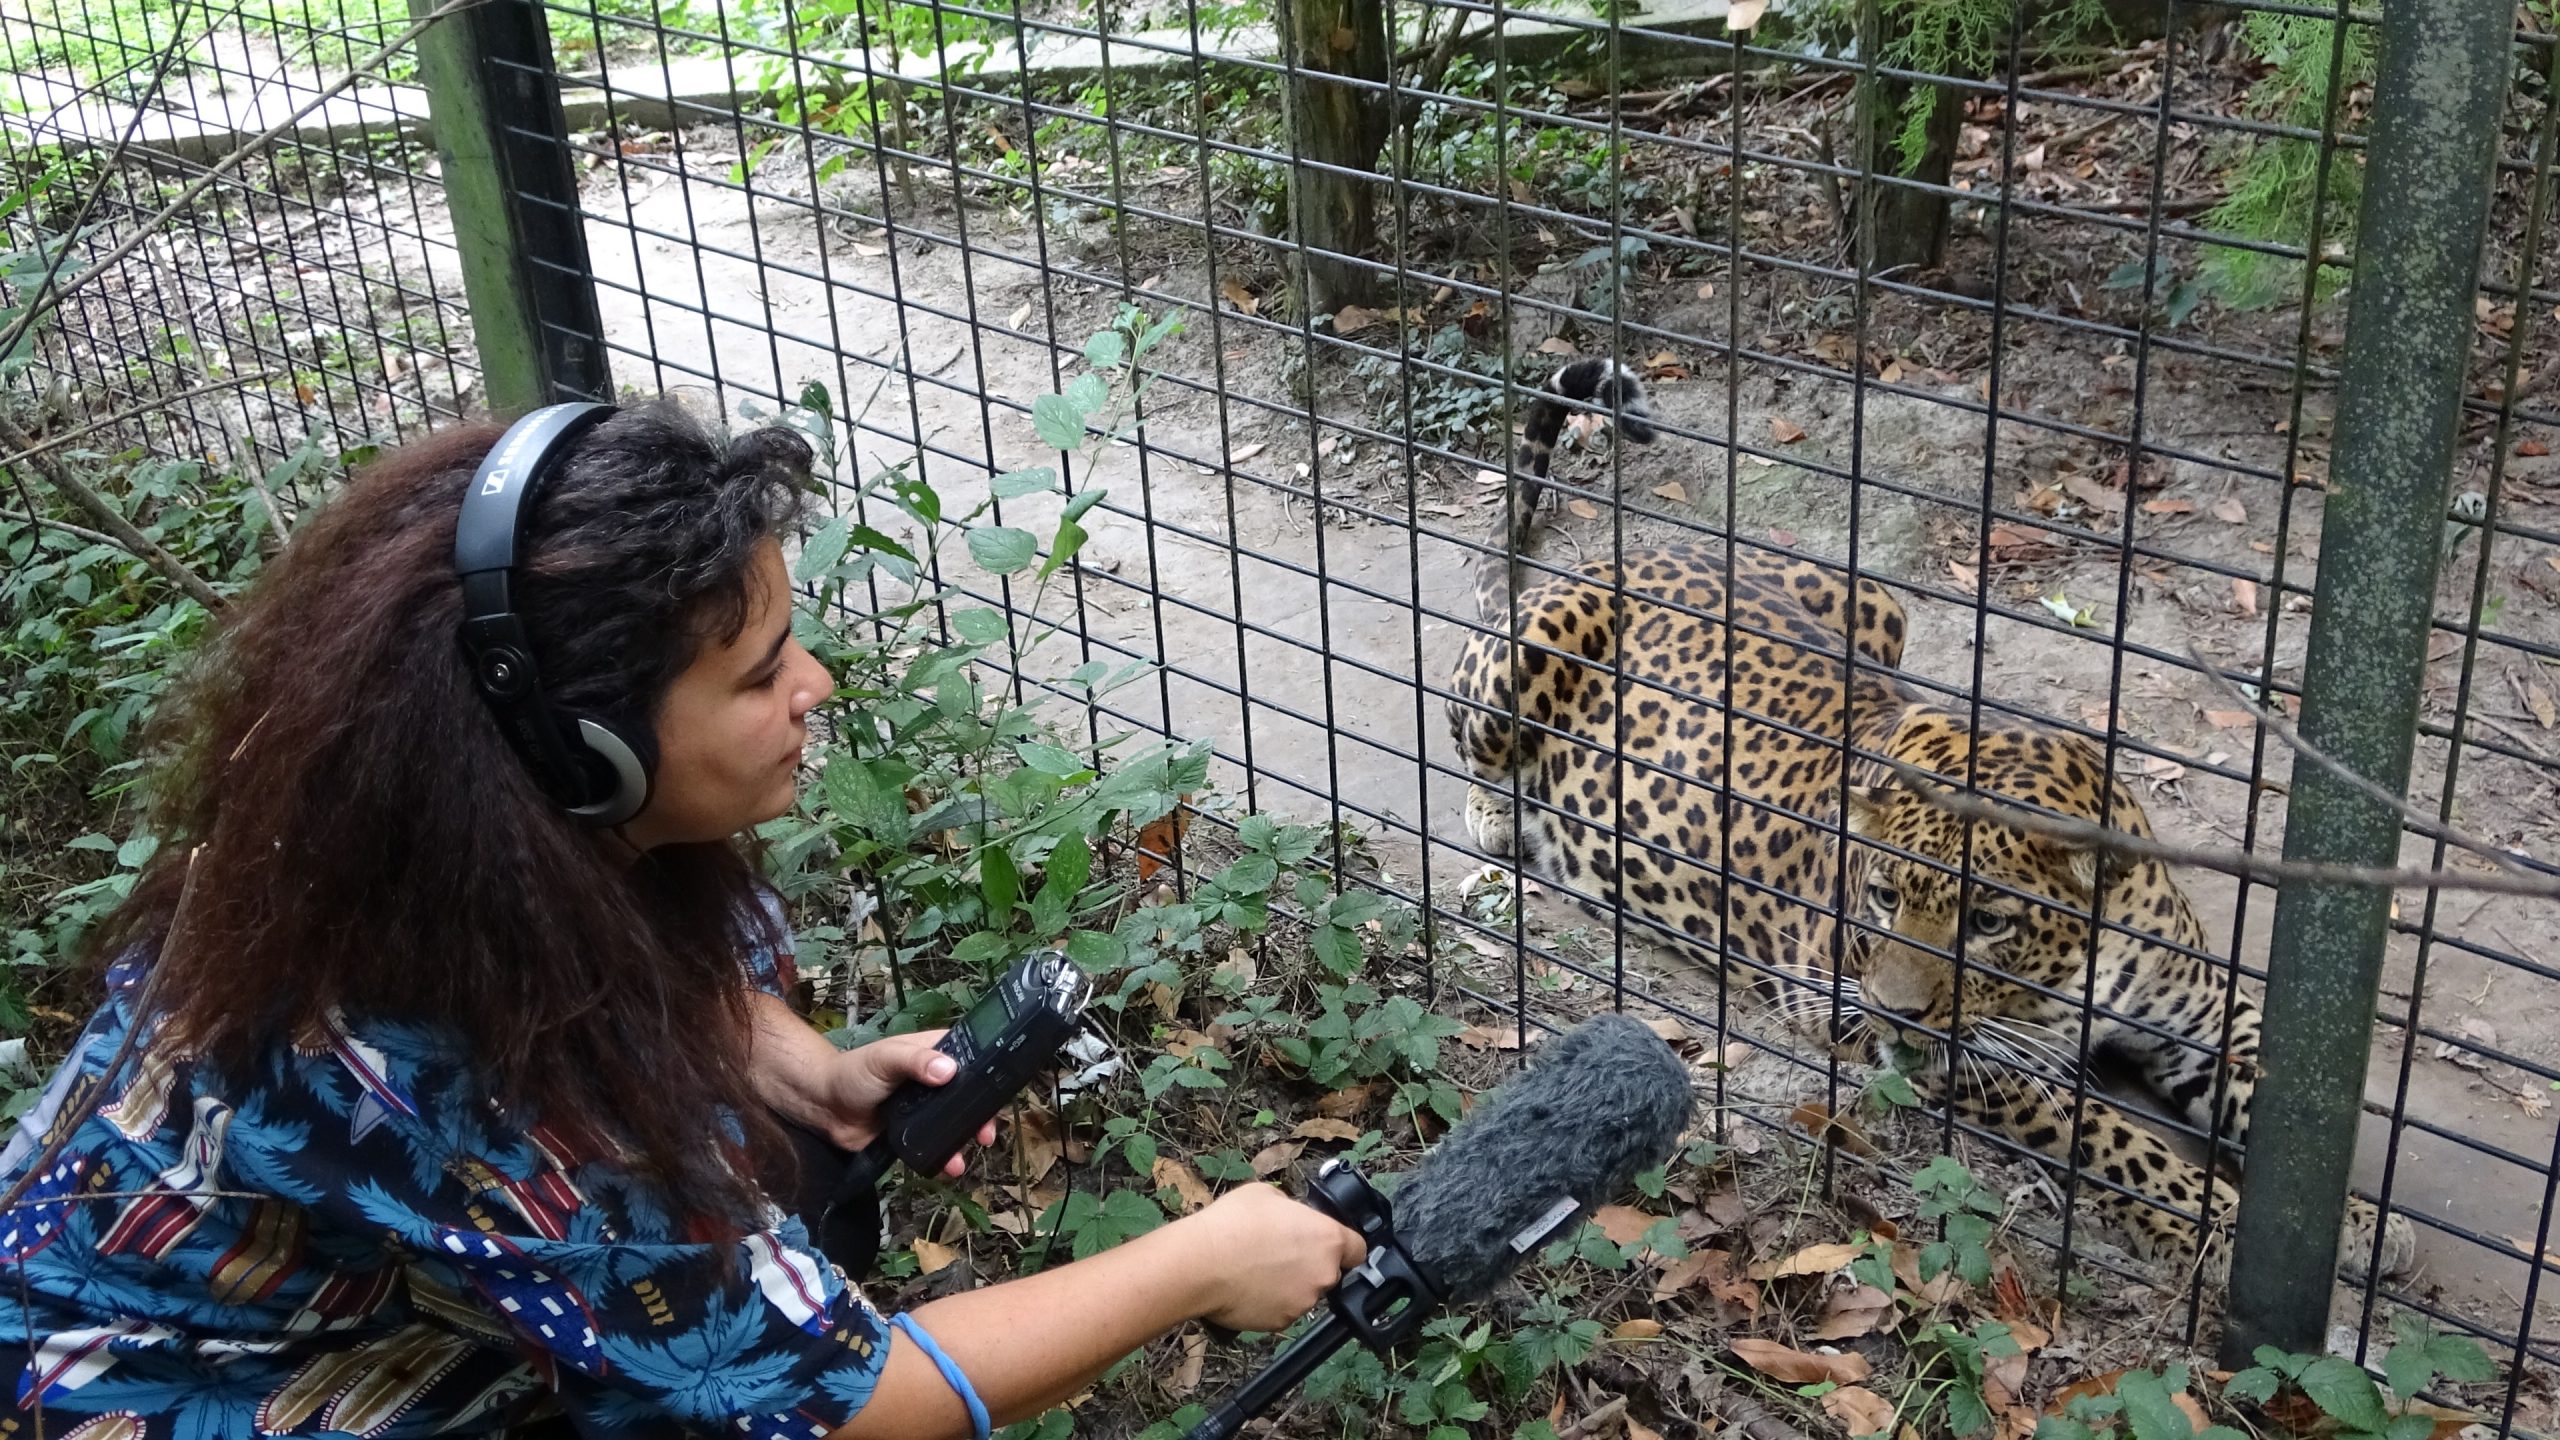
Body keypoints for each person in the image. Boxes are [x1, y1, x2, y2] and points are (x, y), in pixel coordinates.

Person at [0, 397, 1366, 1438]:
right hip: (167, 1393)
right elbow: (838, 1403)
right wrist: (1201, 1263)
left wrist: (793, 1060)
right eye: (762, 671)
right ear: (587, 744)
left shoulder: (451, 841)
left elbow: (634, 977)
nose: (816, 686)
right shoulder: (452, 1073)